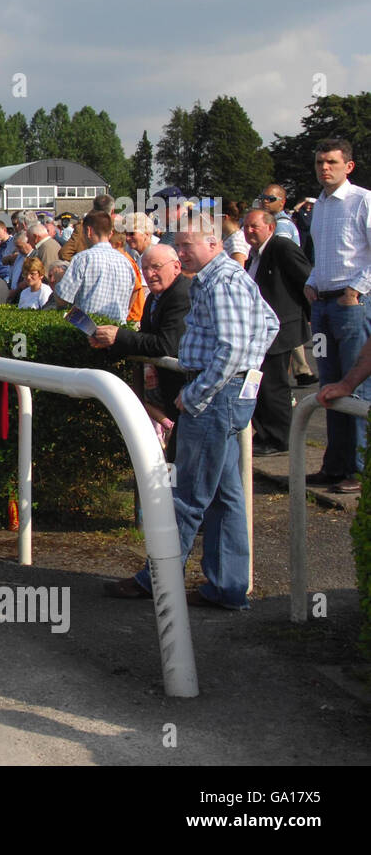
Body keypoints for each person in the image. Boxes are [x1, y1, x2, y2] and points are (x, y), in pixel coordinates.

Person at [106, 217, 278, 609]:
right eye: (177, 246)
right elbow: (270, 324)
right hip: (227, 393)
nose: (180, 253)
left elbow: (233, 348)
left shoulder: (222, 282)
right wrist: (245, 371)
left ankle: (157, 579)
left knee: (188, 495)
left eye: (186, 245)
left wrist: (199, 390)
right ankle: (228, 588)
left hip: (215, 395)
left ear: (213, 242)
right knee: (225, 495)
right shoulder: (223, 277)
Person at [301, 138, 371, 492]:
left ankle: (358, 469)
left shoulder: (363, 200)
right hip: (325, 303)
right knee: (329, 383)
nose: (324, 168)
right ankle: (336, 463)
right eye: (319, 163)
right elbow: (323, 254)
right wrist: (312, 281)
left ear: (349, 166)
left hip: (350, 304)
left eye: (331, 162)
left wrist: (356, 290)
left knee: (355, 383)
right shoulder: (321, 207)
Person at [89, 243, 191, 455]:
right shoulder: (155, 296)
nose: (150, 274)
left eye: (156, 267)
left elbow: (166, 344)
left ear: (176, 267)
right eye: (145, 269)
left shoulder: (181, 294)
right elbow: (145, 340)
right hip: (169, 391)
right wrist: (110, 344)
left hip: (186, 389)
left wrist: (119, 336)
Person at [242, 209, 311, 456]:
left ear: (270, 228)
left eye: (254, 227)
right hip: (261, 329)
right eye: (246, 227)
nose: (249, 231)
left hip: (282, 326)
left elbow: (306, 279)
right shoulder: (254, 255)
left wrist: (309, 315)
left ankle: (279, 438)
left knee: (274, 384)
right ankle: (265, 433)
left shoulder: (281, 247)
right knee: (261, 382)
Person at [52, 211, 136, 322]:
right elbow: (132, 294)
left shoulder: (83, 259)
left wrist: (59, 279)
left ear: (89, 231)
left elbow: (62, 299)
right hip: (118, 330)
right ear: (110, 233)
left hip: (88, 329)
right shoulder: (126, 262)